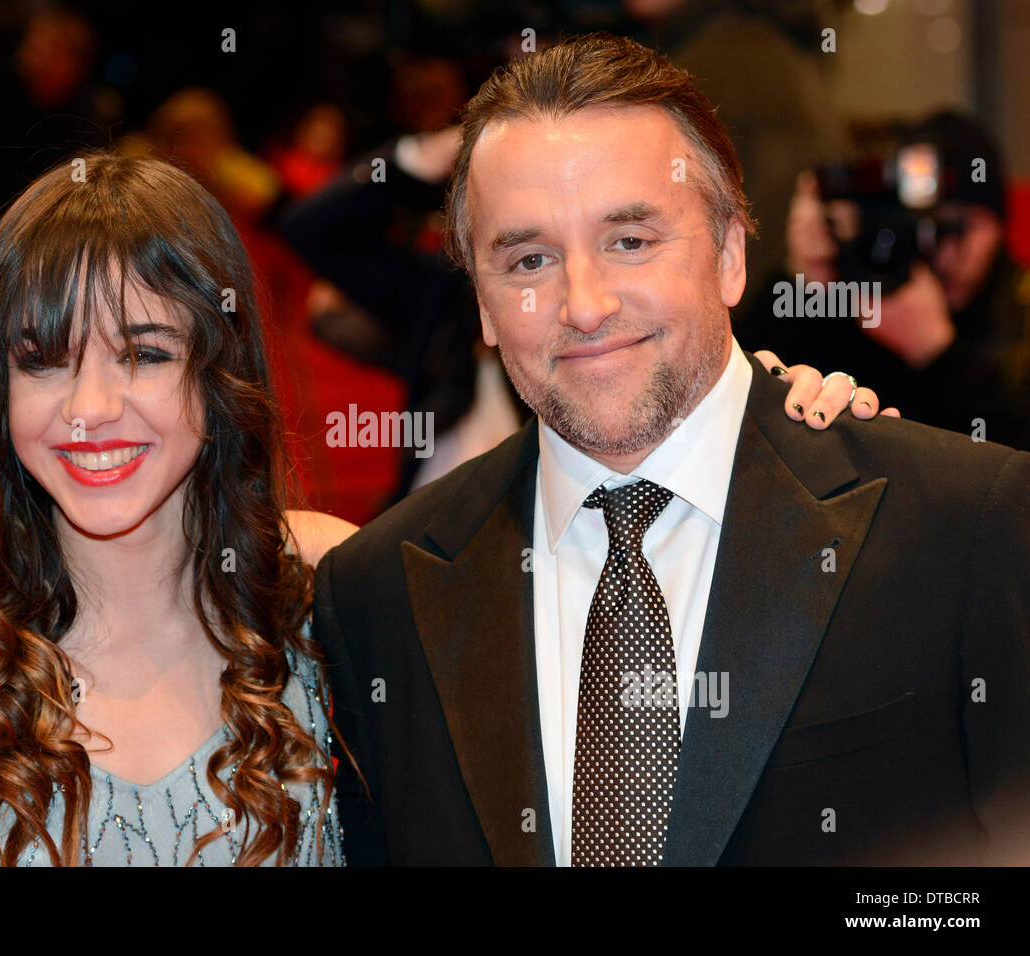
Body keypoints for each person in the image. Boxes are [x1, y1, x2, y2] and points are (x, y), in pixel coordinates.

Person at [312, 34, 1030, 866]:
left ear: (729, 254)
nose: (584, 304)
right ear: (480, 300)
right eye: (530, 258)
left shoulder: (964, 525)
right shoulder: (375, 594)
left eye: (630, 241)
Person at [0, 153, 354, 866]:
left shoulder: (331, 583)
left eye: (144, 354)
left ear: (218, 369)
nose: (90, 411)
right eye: (43, 360)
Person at [736, 110, 1030, 451]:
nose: (945, 255)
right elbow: (746, 400)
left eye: (959, 228)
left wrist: (936, 351)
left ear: (1000, 224)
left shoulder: (1019, 308)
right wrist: (804, 282)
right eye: (925, 228)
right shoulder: (861, 287)